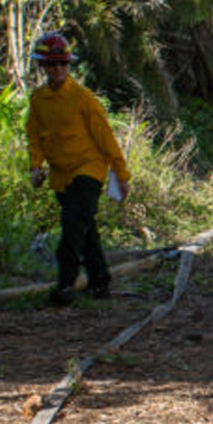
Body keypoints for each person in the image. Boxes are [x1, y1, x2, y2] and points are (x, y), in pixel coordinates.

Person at [24, 32, 129, 305]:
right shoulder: (38, 99)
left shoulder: (83, 99)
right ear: (43, 66)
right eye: (52, 64)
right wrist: (35, 167)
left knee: (72, 226)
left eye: (63, 64)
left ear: (68, 65)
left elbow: (106, 138)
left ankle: (65, 286)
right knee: (86, 230)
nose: (58, 69)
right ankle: (100, 282)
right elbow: (34, 135)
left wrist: (121, 174)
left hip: (88, 170)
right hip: (61, 175)